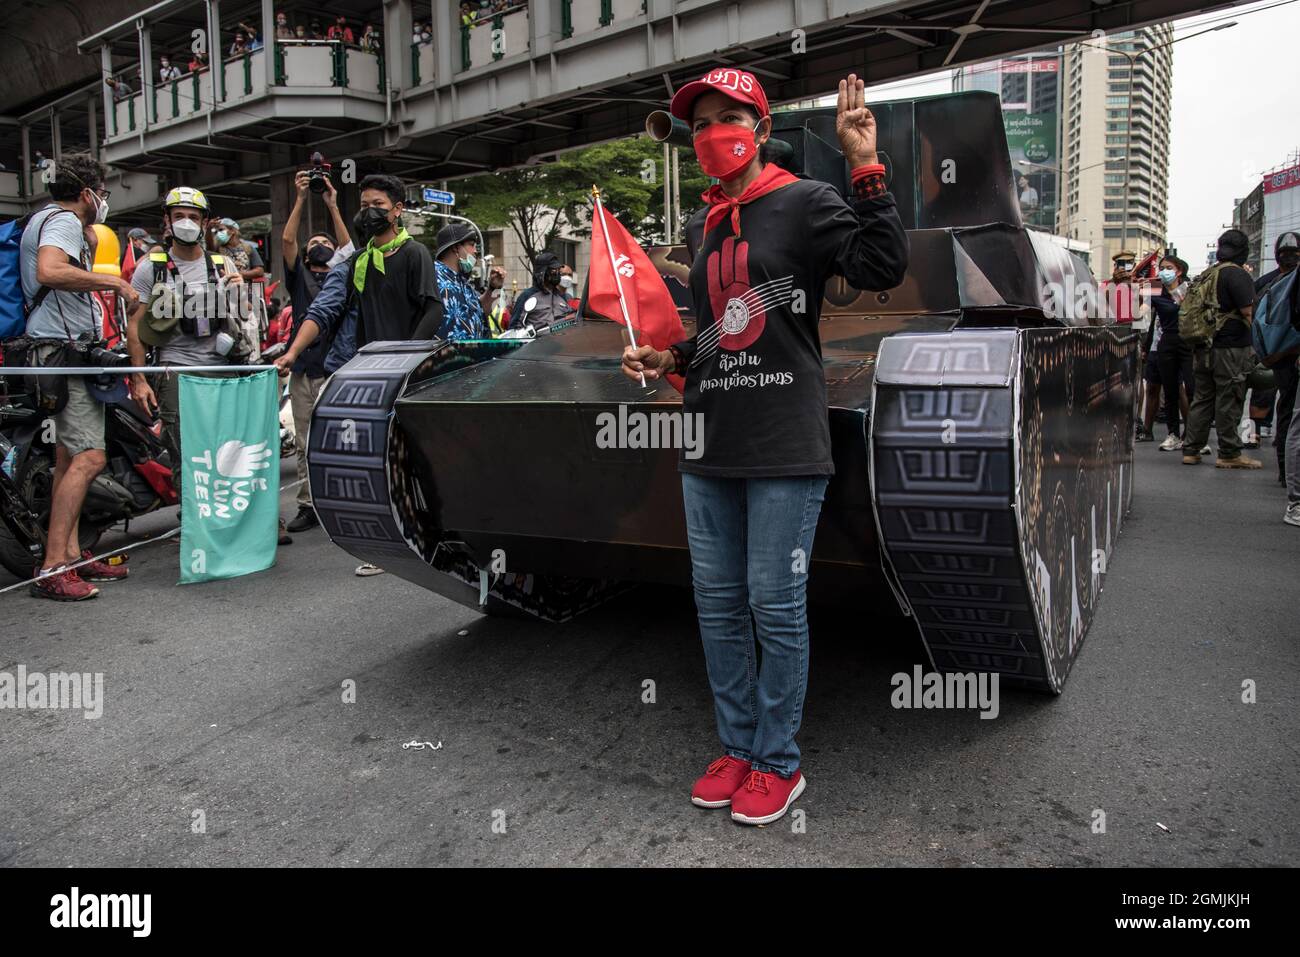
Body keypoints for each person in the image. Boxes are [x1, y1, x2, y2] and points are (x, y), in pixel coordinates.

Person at [621, 68, 907, 825]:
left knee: (773, 605)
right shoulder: (704, 225)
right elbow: (719, 331)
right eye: (701, 122)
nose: (712, 131)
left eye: (727, 116)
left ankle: (778, 760)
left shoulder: (806, 201)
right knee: (716, 605)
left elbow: (881, 267)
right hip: (710, 437)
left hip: (784, 439)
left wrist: (864, 164)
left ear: (759, 121)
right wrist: (671, 359)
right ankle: (738, 746)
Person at [274, 174, 442, 575]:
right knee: (380, 461)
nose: (369, 212)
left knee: (413, 458)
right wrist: (293, 352)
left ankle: (429, 535)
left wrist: (406, 358)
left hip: (408, 373)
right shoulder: (356, 263)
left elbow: (432, 309)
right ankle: (393, 543)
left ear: (398, 210)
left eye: (378, 205)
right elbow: (323, 311)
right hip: (371, 377)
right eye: (364, 204)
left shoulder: (414, 253)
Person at [125, 187, 291, 546]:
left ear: (205, 222)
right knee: (186, 453)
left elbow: (248, 317)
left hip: (224, 370)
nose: (187, 223)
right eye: (179, 216)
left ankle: (251, 520)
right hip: (176, 373)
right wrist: (139, 379)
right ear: (167, 222)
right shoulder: (150, 268)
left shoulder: (223, 264)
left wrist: (238, 291)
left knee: (236, 446)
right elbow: (135, 327)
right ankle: (197, 527)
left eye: (194, 217)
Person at [19, 152, 141, 600]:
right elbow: (49, 270)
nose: (102, 201)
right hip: (63, 353)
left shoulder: (42, 219)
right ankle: (53, 566)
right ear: (88, 192)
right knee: (90, 457)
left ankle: (69, 554)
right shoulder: (65, 221)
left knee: (70, 459)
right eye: (102, 192)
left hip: (54, 351)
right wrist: (114, 283)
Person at [279, 168, 354, 533]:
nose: (319, 245)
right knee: (305, 442)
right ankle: (309, 504)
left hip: (336, 368)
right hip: (304, 371)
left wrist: (332, 206)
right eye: (315, 243)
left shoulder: (343, 276)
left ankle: (341, 501)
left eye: (325, 242)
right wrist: (300, 199)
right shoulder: (299, 278)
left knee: (341, 437)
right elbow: (288, 240)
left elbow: (349, 250)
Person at [1182, 229, 1261, 469]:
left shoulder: (1208, 274)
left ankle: (1191, 450)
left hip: (1204, 346)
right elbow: (1248, 313)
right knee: (1230, 397)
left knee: (1202, 398)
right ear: (1243, 250)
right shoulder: (1237, 275)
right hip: (1231, 348)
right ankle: (1229, 453)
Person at [1255, 231, 1300, 485]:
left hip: (1278, 356)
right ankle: (1291, 478)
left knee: (1287, 413)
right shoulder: (1291, 282)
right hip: (1292, 355)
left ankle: (1286, 473)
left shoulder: (1265, 282)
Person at [432, 223, 503, 340]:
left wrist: (493, 288)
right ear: (455, 248)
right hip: (442, 356)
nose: (476, 251)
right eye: (471, 245)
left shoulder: (463, 282)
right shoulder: (432, 276)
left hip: (472, 355)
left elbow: (481, 313)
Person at [507, 251, 574, 331]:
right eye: (553, 270)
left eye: (558, 270)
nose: (557, 273)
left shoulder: (563, 297)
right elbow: (513, 328)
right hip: (535, 342)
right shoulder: (527, 296)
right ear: (542, 272)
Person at [1102, 250, 1137, 325]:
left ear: (1134, 265)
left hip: (1134, 329)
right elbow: (1099, 302)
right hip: (1112, 328)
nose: (1124, 267)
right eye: (1121, 263)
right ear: (1115, 266)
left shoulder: (1140, 284)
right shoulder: (1106, 284)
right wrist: (1114, 282)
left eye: (1129, 263)